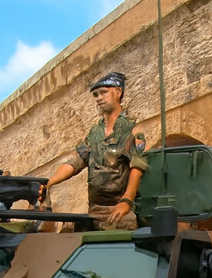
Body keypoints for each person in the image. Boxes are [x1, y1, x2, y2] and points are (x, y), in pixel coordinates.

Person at [42, 71, 148, 230]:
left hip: (119, 211)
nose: (99, 98)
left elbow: (137, 167)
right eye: (96, 94)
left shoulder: (131, 130)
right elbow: (76, 161)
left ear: (118, 92)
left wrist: (127, 201)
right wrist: (49, 183)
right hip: (94, 210)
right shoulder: (94, 134)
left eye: (104, 92)